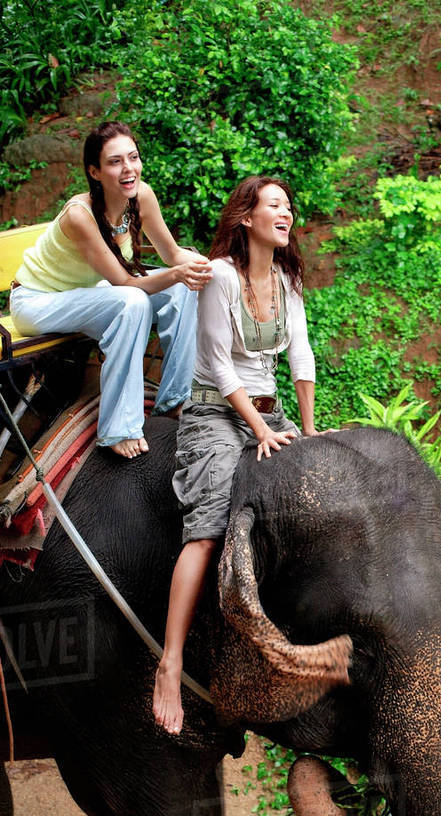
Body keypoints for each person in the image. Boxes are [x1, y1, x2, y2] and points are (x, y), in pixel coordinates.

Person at [152, 175, 320, 734]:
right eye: (275, 204)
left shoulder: (287, 278)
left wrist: (308, 431)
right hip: (214, 413)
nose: (286, 212)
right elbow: (218, 364)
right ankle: (170, 663)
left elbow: (300, 356)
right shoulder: (221, 277)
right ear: (247, 217)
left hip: (267, 413)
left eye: (289, 206)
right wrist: (258, 431)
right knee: (206, 529)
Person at [10, 121, 212, 458]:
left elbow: (173, 253)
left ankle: (177, 399)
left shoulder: (142, 196)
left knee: (183, 291)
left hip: (91, 293)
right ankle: (119, 428)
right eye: (115, 162)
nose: (128, 168)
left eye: (133, 157)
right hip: (37, 302)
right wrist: (177, 273)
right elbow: (127, 284)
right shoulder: (80, 215)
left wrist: (204, 267)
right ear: (95, 171)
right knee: (132, 301)